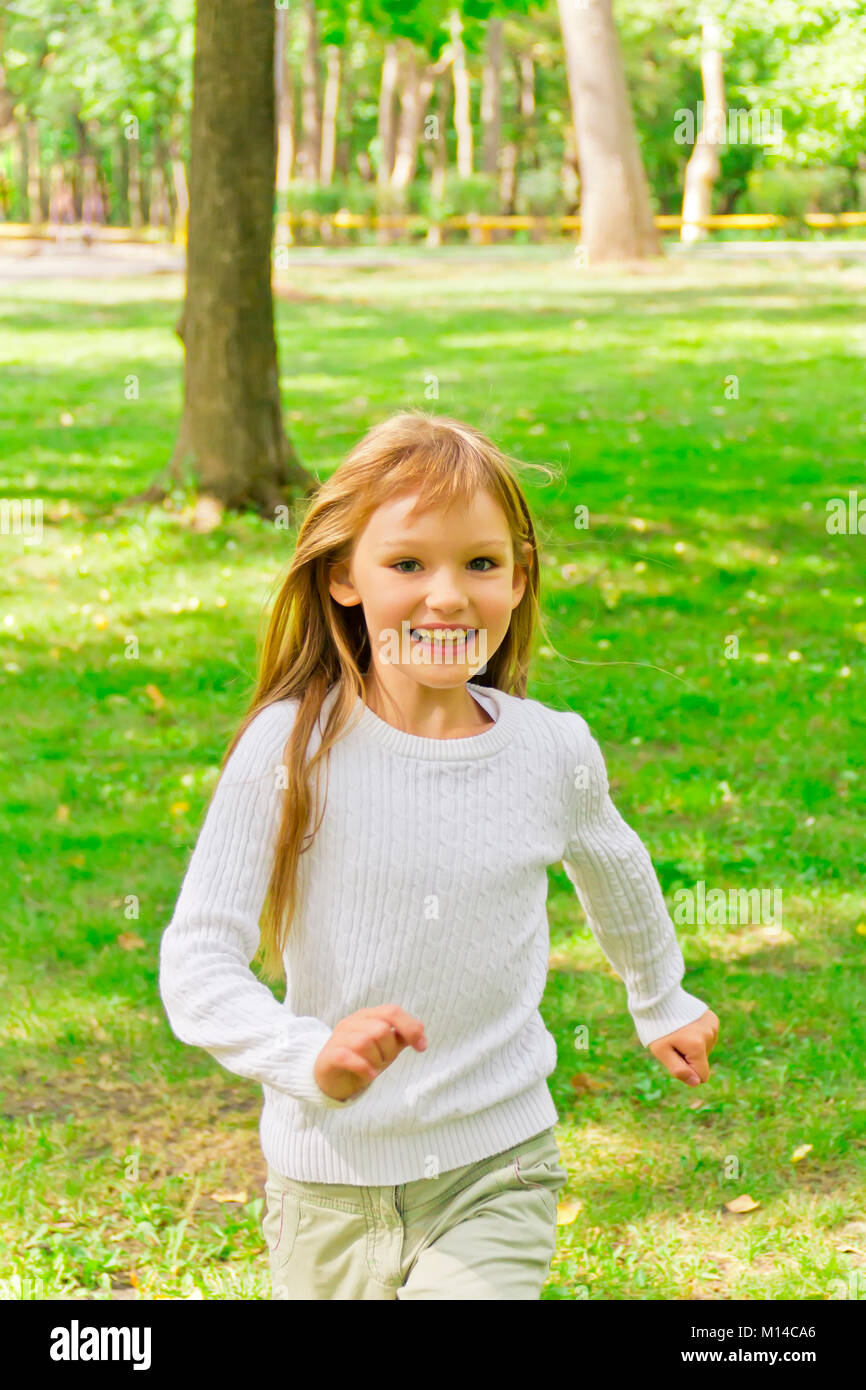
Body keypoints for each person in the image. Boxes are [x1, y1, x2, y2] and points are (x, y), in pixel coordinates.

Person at [158, 409, 719, 1300]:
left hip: (497, 1169)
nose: (448, 596)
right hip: (326, 1187)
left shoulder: (550, 750)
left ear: (519, 577)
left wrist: (662, 999)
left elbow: (617, 872)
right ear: (344, 576)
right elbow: (197, 962)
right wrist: (306, 1056)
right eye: (409, 564)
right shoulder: (290, 749)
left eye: (480, 564)